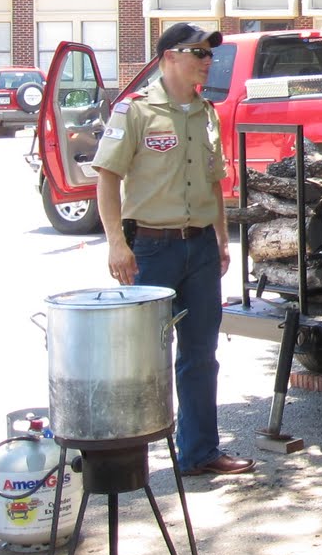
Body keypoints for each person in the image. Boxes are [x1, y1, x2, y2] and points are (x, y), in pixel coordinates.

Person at [93, 23, 254, 478]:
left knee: (201, 355)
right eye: (198, 53)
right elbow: (107, 177)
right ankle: (125, 458)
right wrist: (116, 244)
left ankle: (199, 453)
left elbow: (214, 180)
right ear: (168, 57)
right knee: (142, 359)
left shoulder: (206, 112)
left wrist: (221, 238)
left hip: (200, 247)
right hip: (152, 248)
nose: (207, 60)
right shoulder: (136, 111)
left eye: (209, 54)